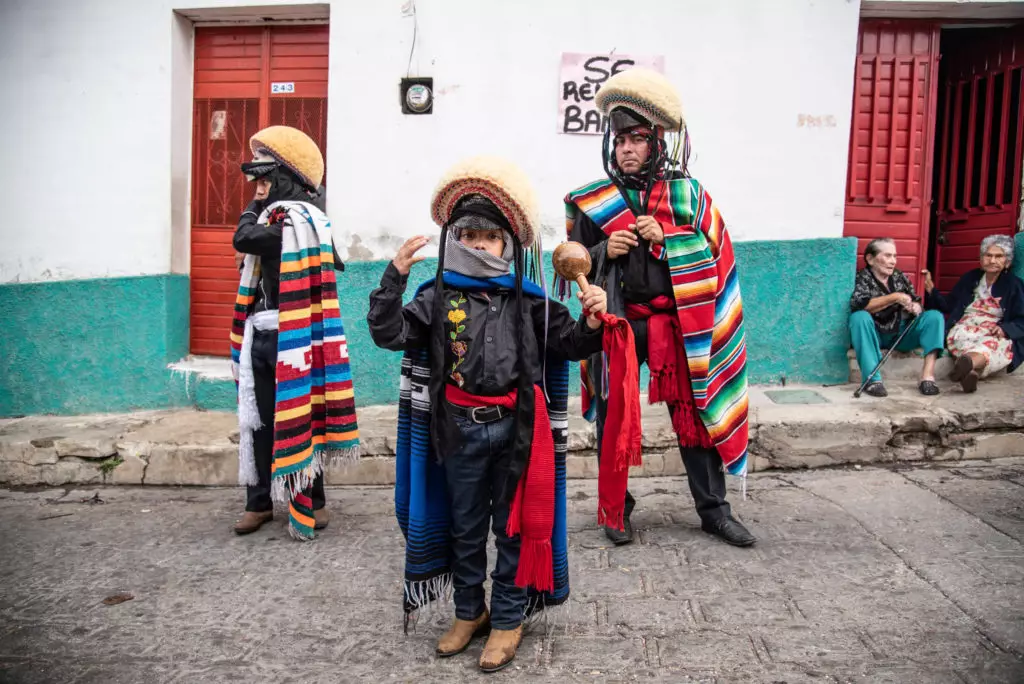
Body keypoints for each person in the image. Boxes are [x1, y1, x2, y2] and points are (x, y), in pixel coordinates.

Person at [368, 157, 609, 672]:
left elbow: (569, 344)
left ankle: (506, 619)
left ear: (507, 245)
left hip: (519, 433)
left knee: (514, 528)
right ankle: (467, 612)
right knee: (466, 526)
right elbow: (388, 335)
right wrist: (395, 277)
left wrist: (591, 321)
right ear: (456, 239)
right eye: (469, 234)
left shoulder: (530, 301)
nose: (479, 244)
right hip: (457, 432)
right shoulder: (435, 297)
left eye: (489, 236)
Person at [562, 67, 755, 548]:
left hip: (677, 327)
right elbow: (573, 262)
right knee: (614, 418)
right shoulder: (592, 202)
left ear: (658, 143)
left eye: (636, 139)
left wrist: (668, 240)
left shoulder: (689, 196)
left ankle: (714, 511)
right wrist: (610, 249)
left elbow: (719, 258)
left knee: (695, 414)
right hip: (620, 326)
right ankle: (615, 509)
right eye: (619, 139)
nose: (626, 148)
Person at [230, 125, 359, 539]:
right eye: (257, 180)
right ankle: (259, 502)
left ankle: (313, 501)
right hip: (262, 333)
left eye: (267, 178)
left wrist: (254, 207)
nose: (261, 186)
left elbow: (244, 237)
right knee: (259, 422)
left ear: (289, 177)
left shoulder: (300, 222)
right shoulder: (289, 220)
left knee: (302, 417)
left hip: (298, 337)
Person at [924, 234, 1024, 393]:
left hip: (994, 328)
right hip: (966, 325)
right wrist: (931, 290)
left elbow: (1021, 318)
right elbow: (949, 305)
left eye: (999, 256)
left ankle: (968, 364)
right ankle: (969, 371)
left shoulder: (1015, 285)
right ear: (981, 258)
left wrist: (1005, 329)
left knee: (995, 344)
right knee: (961, 337)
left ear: (1008, 261)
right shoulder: (970, 278)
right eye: (988, 255)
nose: (992, 260)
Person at [849, 238, 945, 397]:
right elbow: (860, 304)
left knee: (934, 317)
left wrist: (915, 307)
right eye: (887, 256)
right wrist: (893, 297)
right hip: (876, 334)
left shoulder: (899, 276)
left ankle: (927, 377)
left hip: (902, 334)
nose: (892, 261)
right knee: (859, 318)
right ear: (870, 259)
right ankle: (873, 380)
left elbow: (917, 301)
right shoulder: (862, 278)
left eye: (894, 256)